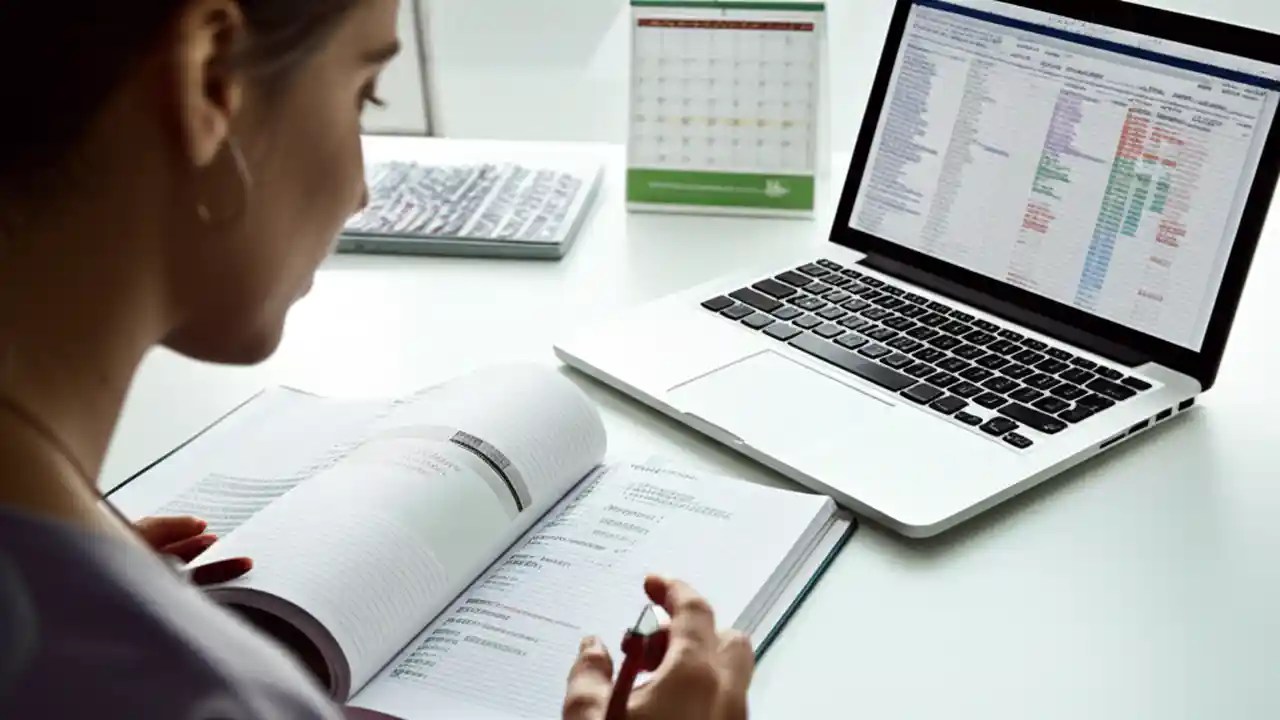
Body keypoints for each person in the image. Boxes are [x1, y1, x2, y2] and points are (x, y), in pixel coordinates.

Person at [0, 1, 754, 718]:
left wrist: (83, 574)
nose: (361, 192)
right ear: (210, 79)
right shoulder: (202, 698)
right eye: (365, 94)